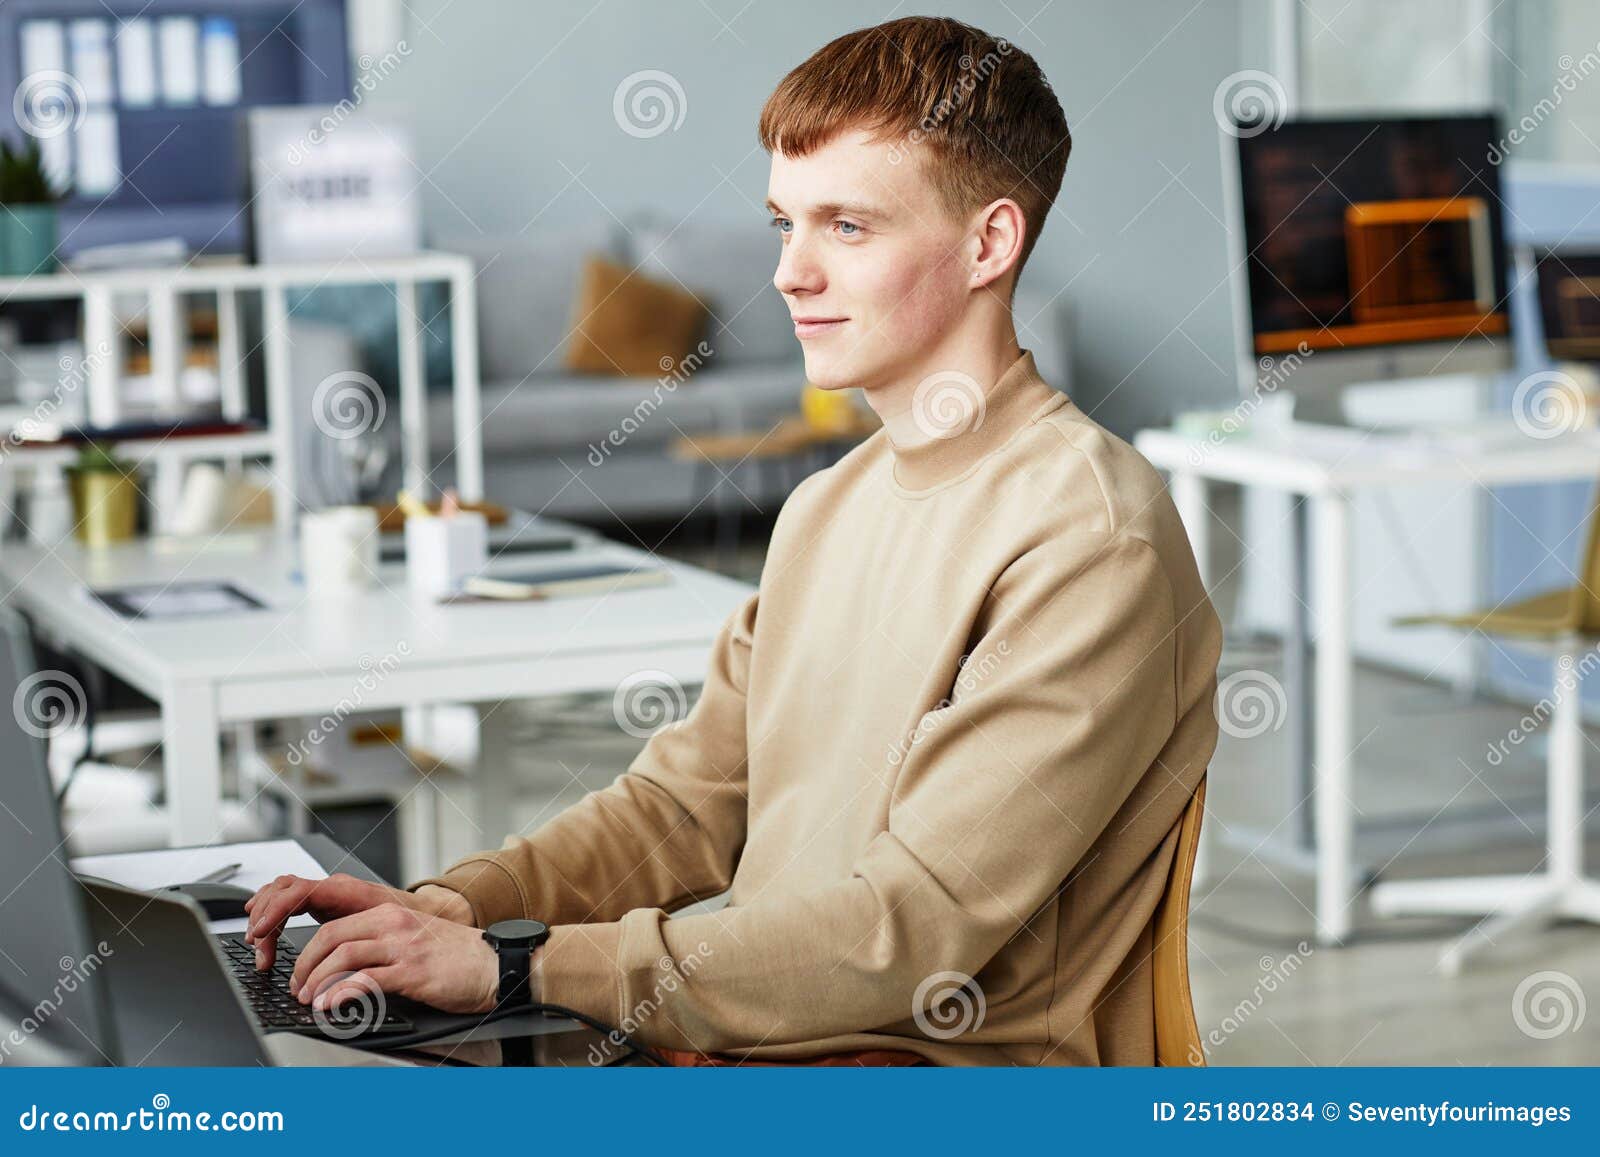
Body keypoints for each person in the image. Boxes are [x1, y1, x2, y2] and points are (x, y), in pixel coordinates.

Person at [244, 14, 1222, 1066]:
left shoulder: (1089, 538)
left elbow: (909, 932)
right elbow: (686, 805)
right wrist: (451, 907)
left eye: (848, 227)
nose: (791, 273)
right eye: (784, 225)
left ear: (988, 244)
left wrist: (515, 966)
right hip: (755, 1044)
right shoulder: (827, 505)